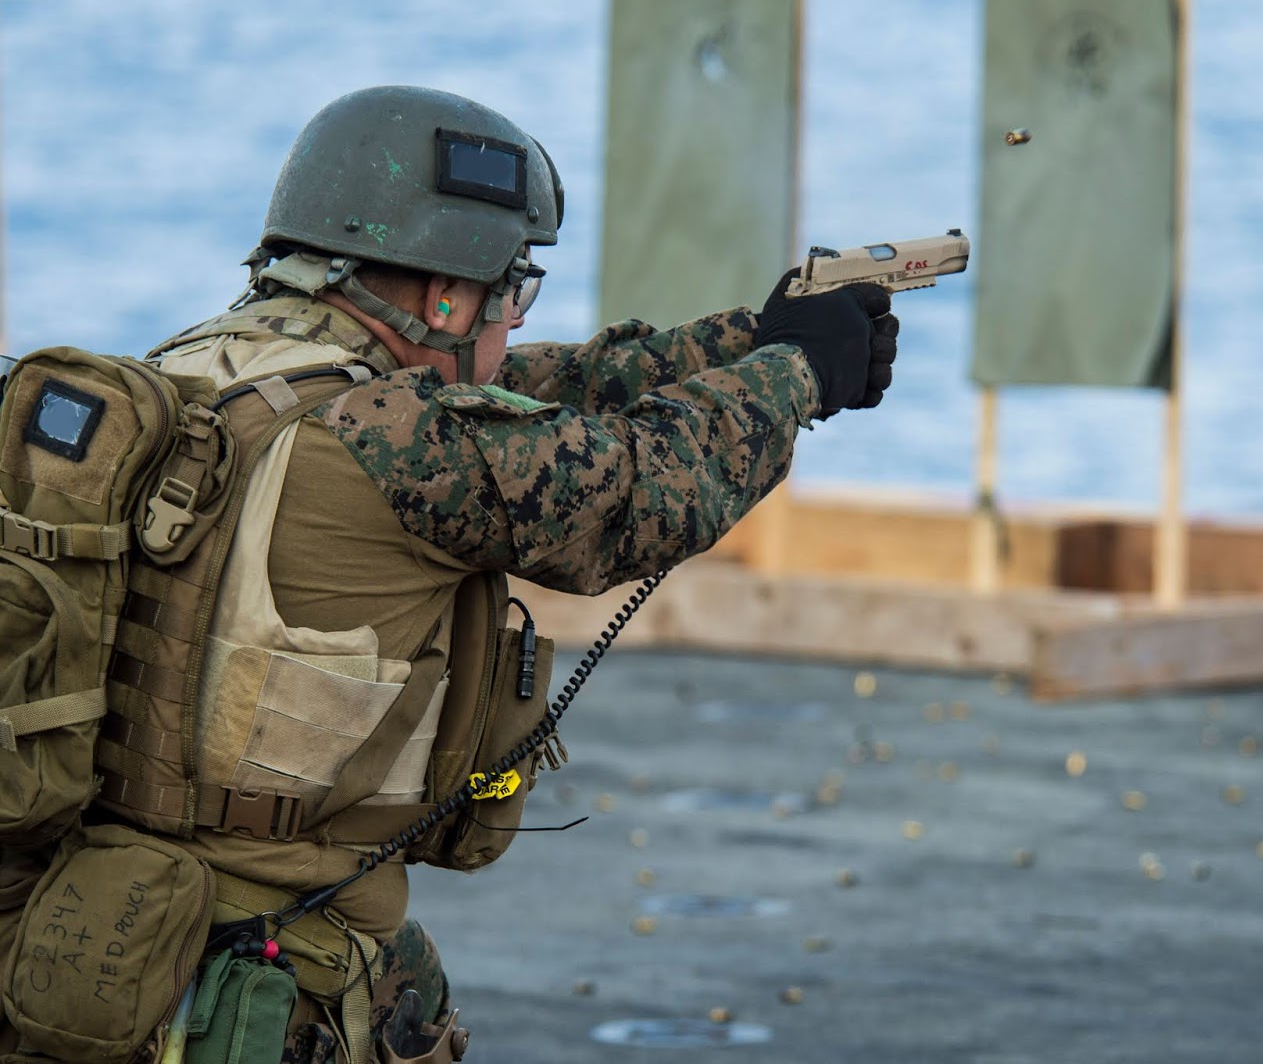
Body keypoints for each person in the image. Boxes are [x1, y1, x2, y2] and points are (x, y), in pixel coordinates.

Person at [82, 85, 897, 1062]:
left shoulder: (185, 375)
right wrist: (799, 376)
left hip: (106, 920)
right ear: (441, 296)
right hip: (266, 956)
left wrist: (751, 338)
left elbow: (524, 389)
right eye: (512, 293)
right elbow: (641, 490)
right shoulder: (390, 444)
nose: (514, 320)